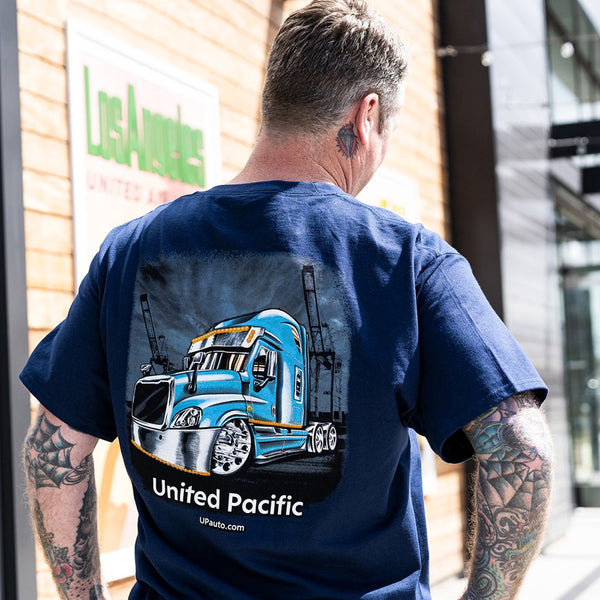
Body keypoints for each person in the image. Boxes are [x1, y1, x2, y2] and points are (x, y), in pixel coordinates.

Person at [21, 1, 552, 599]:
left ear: (274, 102)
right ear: (365, 117)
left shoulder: (128, 250)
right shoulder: (407, 261)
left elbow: (53, 450)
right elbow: (522, 450)